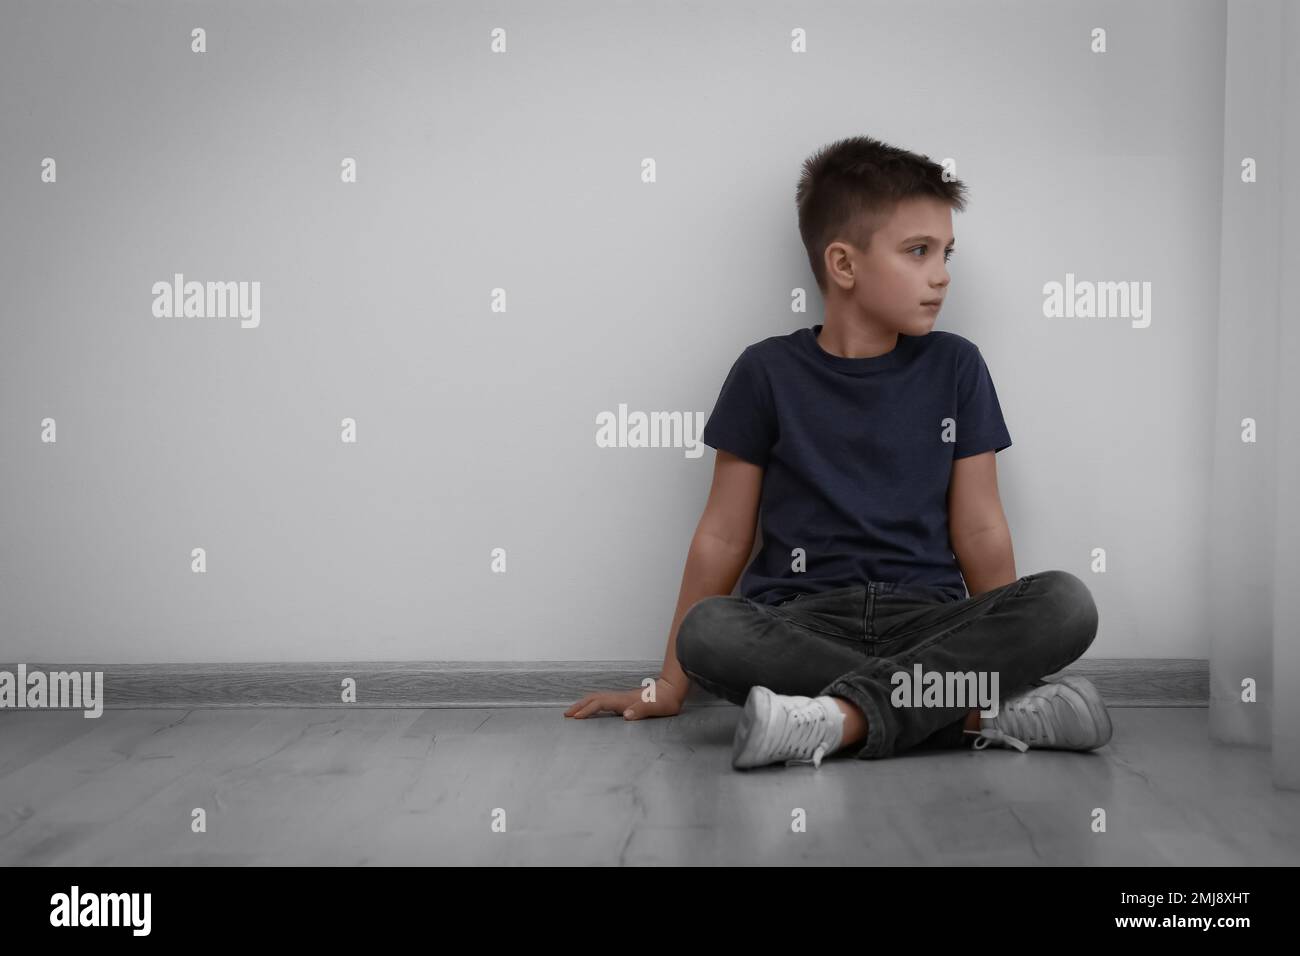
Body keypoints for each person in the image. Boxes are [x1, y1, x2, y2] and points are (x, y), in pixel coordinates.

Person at [565, 134, 1112, 769]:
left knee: (1066, 602)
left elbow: (982, 528)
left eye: (945, 253)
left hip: (930, 620)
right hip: (801, 623)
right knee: (709, 631)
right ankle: (969, 709)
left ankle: (838, 719)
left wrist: (1007, 654)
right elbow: (721, 536)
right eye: (918, 251)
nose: (941, 274)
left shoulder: (956, 366)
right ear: (844, 265)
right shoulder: (764, 372)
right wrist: (668, 685)